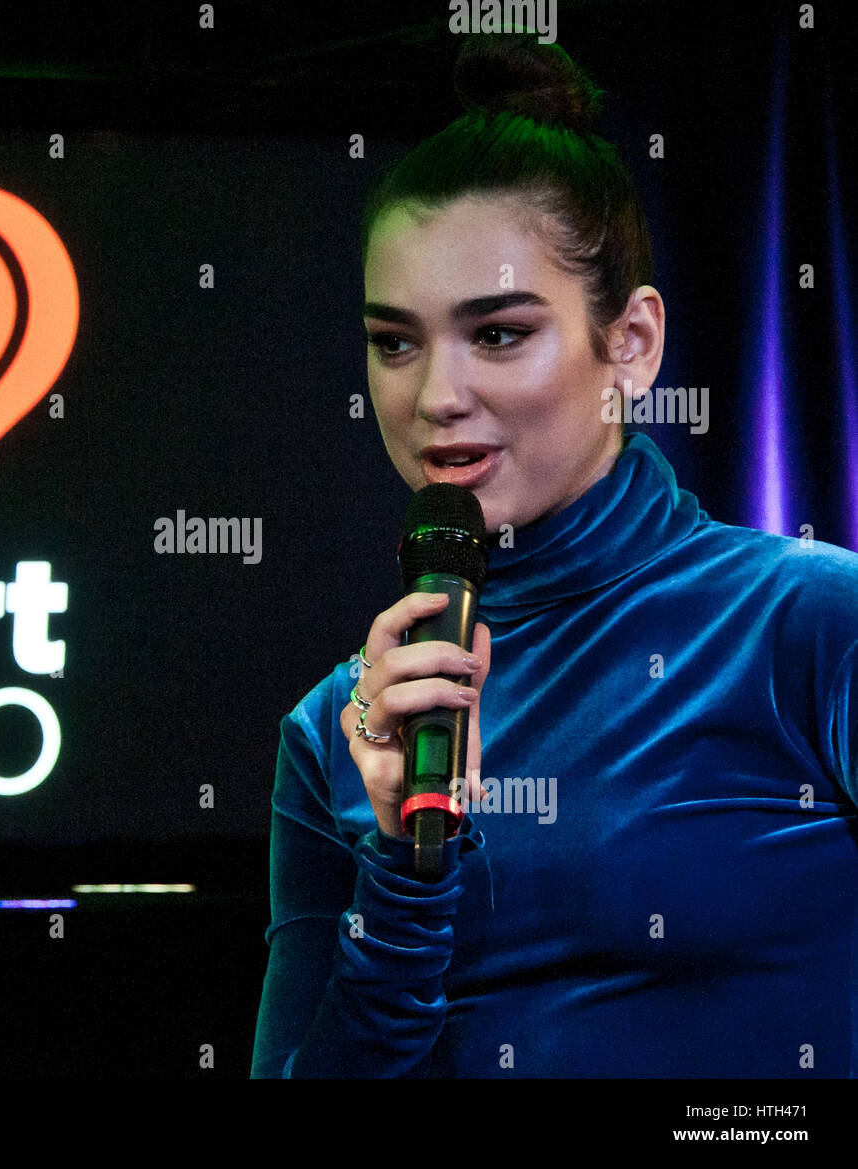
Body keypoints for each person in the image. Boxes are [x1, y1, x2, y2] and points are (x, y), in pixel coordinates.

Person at [249, 33, 858, 1079]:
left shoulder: (805, 624)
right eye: (394, 340)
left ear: (631, 344)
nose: (434, 395)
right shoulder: (335, 728)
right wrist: (400, 862)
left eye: (495, 334)